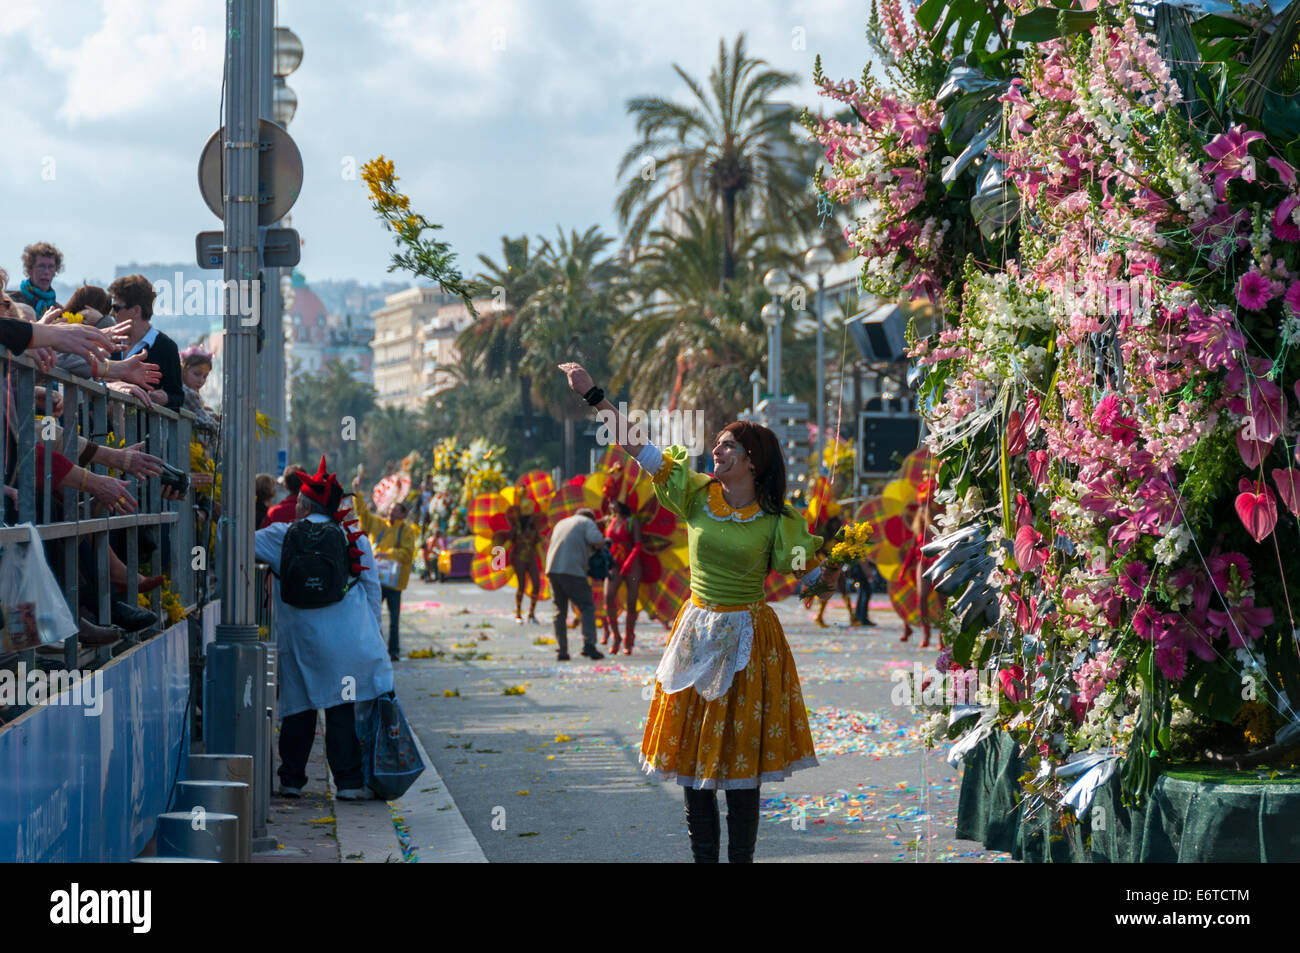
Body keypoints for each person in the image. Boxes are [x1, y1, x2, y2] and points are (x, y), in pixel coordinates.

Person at [559, 361, 835, 863]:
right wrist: (595, 397)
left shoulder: (779, 520)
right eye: (718, 442)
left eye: (729, 444)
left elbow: (811, 581)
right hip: (696, 635)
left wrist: (837, 564)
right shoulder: (695, 493)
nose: (717, 449)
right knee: (693, 757)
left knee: (740, 766)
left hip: (750, 643)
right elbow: (636, 445)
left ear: (754, 461)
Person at [255, 457, 393, 800]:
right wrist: (373, 632)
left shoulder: (281, 535)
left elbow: (234, 544)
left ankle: (291, 780)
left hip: (300, 639)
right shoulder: (354, 536)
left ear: (301, 505)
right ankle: (347, 783)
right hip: (345, 638)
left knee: (298, 707)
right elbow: (372, 586)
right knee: (340, 707)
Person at [351, 475, 417, 661]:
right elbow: (363, 513)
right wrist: (357, 492)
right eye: (390, 508)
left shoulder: (407, 531)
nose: (391, 512)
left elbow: (407, 553)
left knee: (394, 621)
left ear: (403, 514)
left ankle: (394, 651)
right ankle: (374, 649)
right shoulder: (378, 525)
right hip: (376, 580)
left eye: (396, 510)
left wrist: (387, 554)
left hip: (394, 582)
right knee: (371, 617)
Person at [107, 274, 184, 410]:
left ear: (136, 310)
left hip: (145, 429)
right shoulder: (109, 341)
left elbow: (177, 396)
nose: (111, 313)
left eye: (116, 308)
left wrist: (164, 398)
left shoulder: (166, 347)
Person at [544, 508, 606, 661]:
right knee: (586, 606)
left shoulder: (563, 522)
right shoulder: (587, 522)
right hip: (572, 570)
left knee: (560, 611)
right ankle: (589, 644)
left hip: (553, 568)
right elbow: (597, 541)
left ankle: (562, 650)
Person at [602, 497, 642, 654]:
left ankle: (629, 638)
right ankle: (616, 636)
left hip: (632, 564)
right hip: (614, 563)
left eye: (613, 502)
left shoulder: (632, 521)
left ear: (621, 503)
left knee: (631, 603)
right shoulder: (609, 520)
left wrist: (628, 563)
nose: (610, 505)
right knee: (608, 596)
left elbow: (638, 544)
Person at [509, 500, 543, 623]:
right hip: (519, 559)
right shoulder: (517, 528)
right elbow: (507, 543)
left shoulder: (534, 529)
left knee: (537, 584)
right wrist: (500, 561)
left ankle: (532, 613)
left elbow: (538, 545)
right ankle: (518, 613)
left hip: (531, 558)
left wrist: (544, 563)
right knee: (521, 586)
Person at [9, 241, 64, 316]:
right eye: (41, 266)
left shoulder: (58, 310)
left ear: (55, 271)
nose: (46, 272)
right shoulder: (13, 304)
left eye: (51, 267)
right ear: (29, 270)